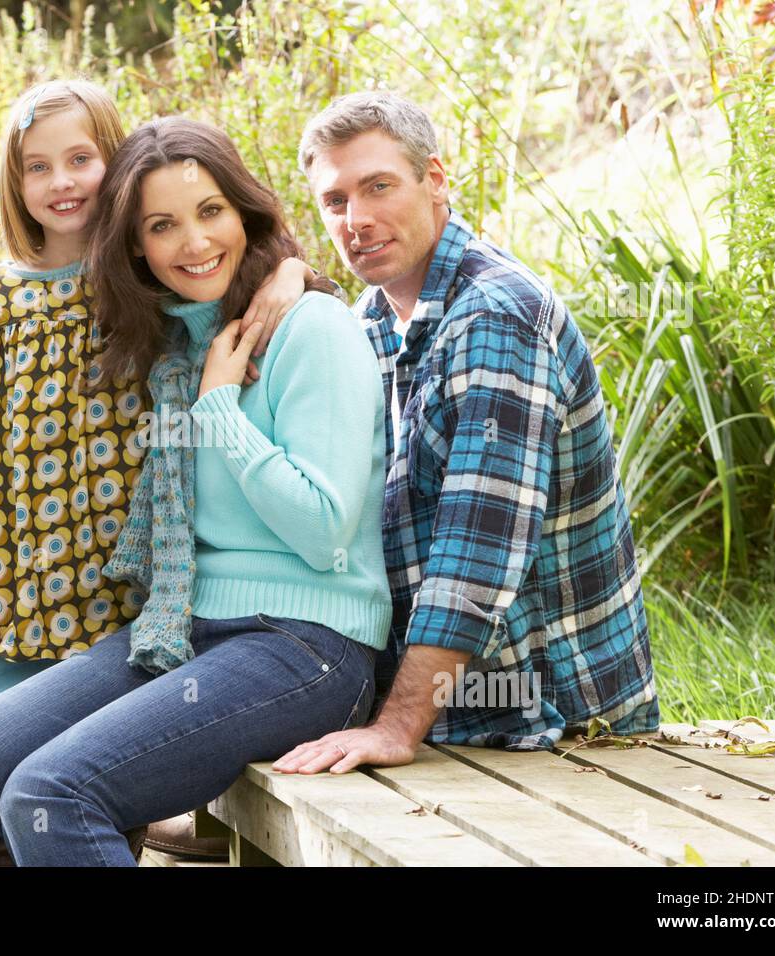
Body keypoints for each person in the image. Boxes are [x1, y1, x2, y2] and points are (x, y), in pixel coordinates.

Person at [0, 116, 390, 866]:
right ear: (135, 245)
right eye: (163, 225)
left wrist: (222, 409)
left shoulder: (312, 328)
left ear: (245, 213)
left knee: (50, 793)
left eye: (212, 212)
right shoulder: (166, 345)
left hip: (307, 644)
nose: (194, 242)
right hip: (182, 627)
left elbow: (325, 534)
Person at [271, 92, 659, 776]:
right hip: (449, 716)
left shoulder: (496, 317)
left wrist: (396, 725)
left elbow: (476, 552)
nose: (357, 219)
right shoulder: (368, 321)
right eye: (336, 202)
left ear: (436, 179)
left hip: (554, 724)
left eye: (379, 186)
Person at [0, 80, 312, 715]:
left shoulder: (147, 278)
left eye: (81, 159)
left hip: (124, 576)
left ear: (115, 162)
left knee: (91, 752)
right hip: (18, 574)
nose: (63, 181)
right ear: (15, 183)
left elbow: (232, 264)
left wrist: (294, 271)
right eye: (38, 167)